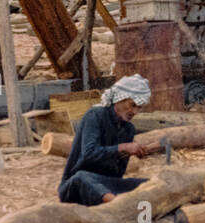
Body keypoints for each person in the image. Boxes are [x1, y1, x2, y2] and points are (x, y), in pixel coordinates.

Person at [58, 75, 157, 205]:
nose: (135, 111)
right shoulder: (95, 115)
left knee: (148, 184)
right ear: (119, 98)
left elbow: (117, 174)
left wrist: (131, 153)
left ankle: (118, 201)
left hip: (106, 185)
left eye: (139, 107)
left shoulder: (129, 129)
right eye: (132, 105)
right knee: (82, 177)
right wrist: (122, 147)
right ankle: (119, 205)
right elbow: (89, 153)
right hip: (76, 186)